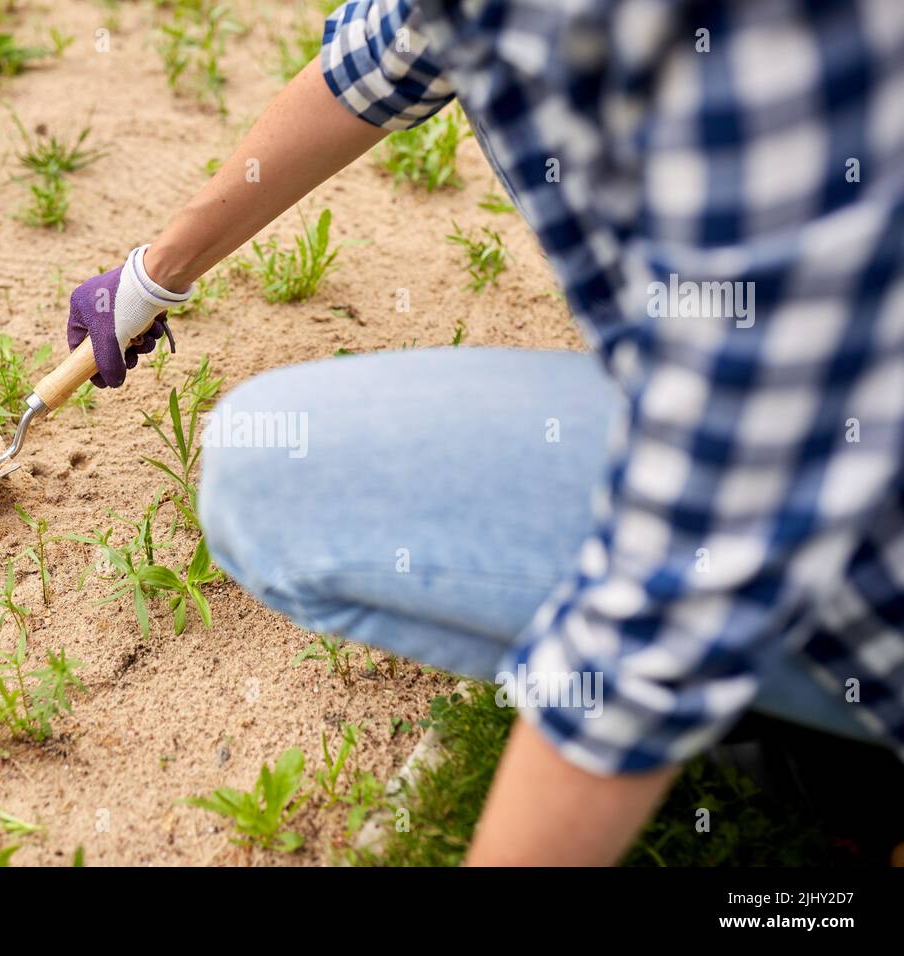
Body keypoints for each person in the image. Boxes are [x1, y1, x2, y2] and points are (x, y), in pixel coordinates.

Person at [65, 0, 904, 865]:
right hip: (779, 412)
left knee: (267, 473)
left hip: (856, 510)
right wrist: (151, 277)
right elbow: (385, 57)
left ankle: (838, 747)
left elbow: (691, 570)